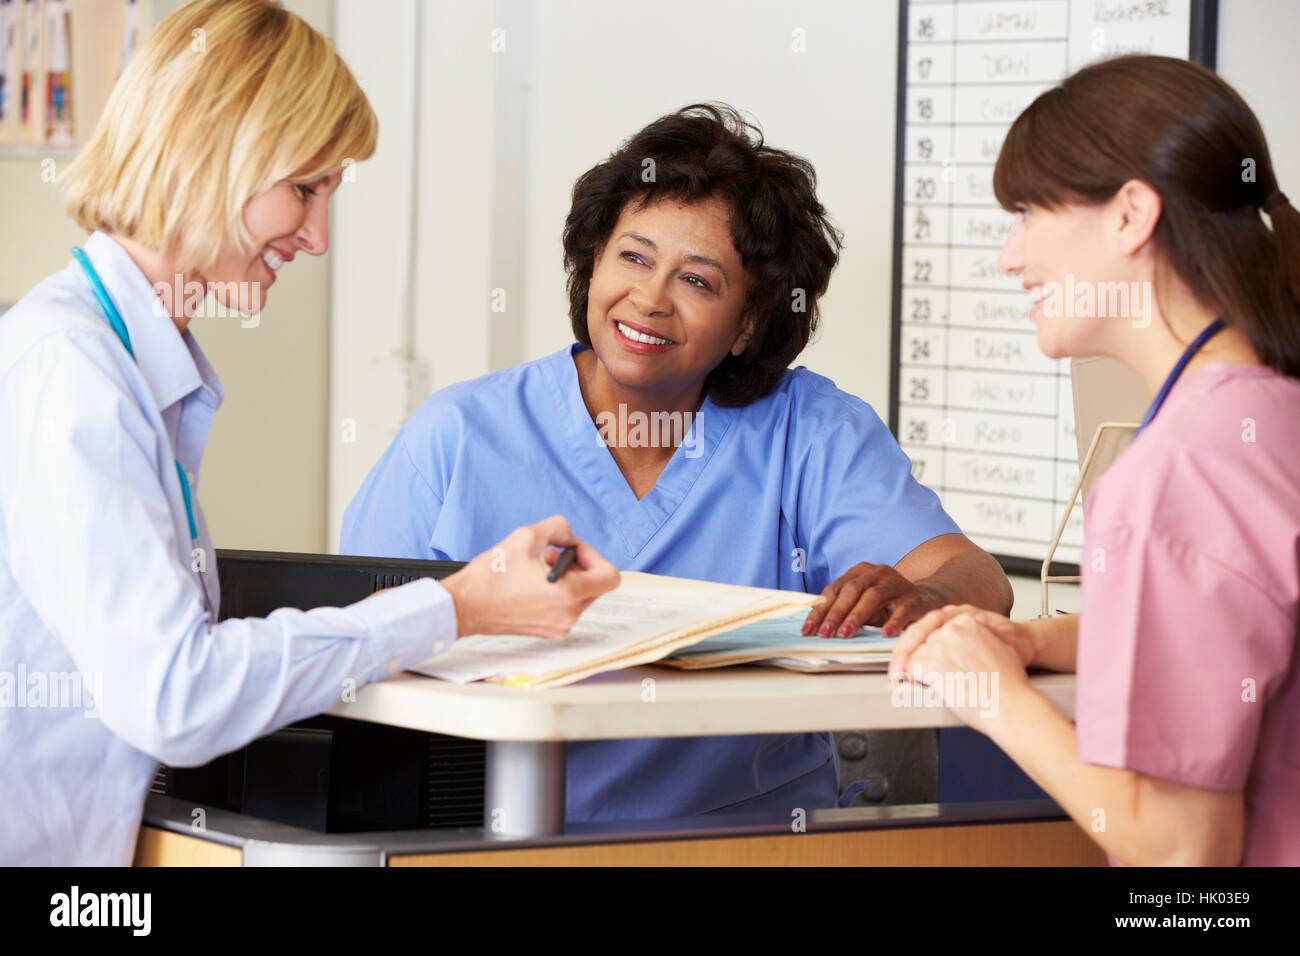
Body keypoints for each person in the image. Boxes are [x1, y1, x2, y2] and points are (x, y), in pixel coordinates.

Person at [0, 0, 618, 866]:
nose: (320, 238)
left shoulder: (121, 360)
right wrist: (459, 604)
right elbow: (174, 696)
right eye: (305, 189)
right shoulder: (72, 367)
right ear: (209, 153)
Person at [341, 103, 1013, 824]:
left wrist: (931, 598)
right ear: (593, 261)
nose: (649, 299)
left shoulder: (810, 430)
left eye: (698, 281)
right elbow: (356, 644)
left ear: (748, 325)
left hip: (754, 844)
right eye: (632, 257)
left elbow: (980, 581)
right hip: (499, 838)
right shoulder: (460, 433)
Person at [891, 54, 1300, 865]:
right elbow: (1236, 634)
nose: (1010, 257)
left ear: (1129, 216)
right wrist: (1043, 641)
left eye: (1028, 213)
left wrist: (995, 695)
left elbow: (1184, 854)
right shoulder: (1265, 417)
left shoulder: (1181, 469)